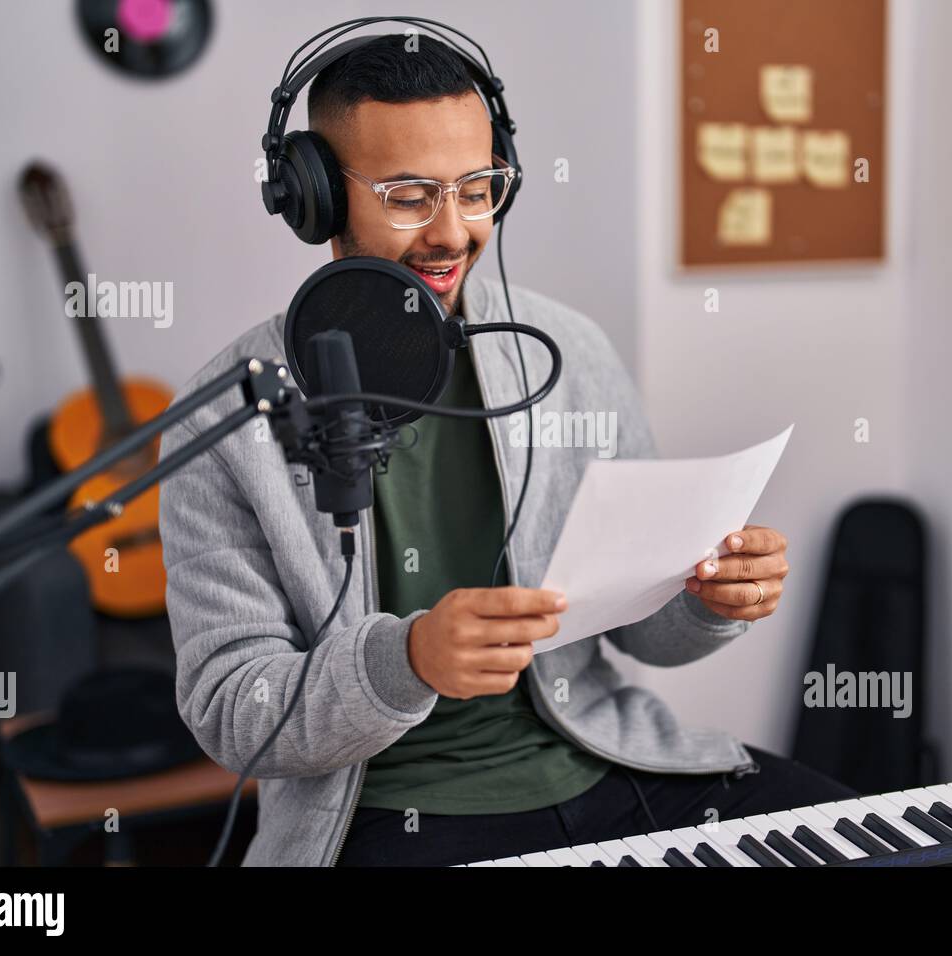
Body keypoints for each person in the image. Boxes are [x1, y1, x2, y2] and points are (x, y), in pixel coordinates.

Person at [158, 30, 853, 867]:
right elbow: (236, 713)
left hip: (612, 768)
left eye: (478, 188)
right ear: (316, 199)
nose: (453, 232)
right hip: (383, 816)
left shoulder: (570, 351)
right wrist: (406, 659)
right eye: (410, 195)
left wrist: (710, 602)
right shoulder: (227, 415)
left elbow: (646, 637)